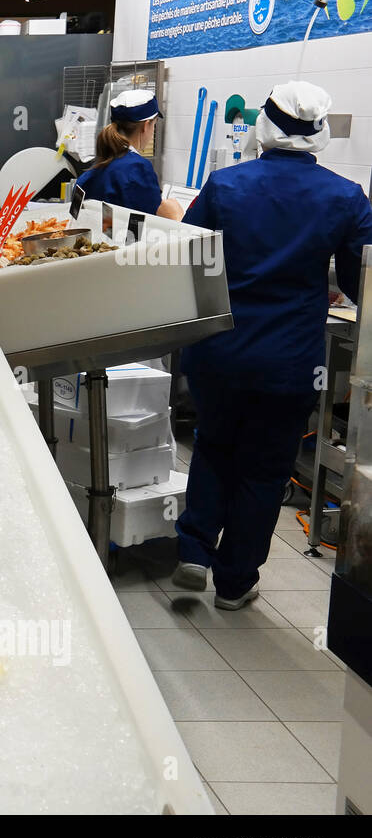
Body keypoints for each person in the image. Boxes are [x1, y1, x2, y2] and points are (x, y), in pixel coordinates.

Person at [171, 80, 372, 609]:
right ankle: (235, 583)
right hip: (289, 362)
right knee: (263, 469)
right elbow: (361, 285)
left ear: (264, 124)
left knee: (213, 445)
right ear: (321, 134)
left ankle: (193, 550)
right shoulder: (346, 198)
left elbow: (186, 260)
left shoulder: (225, 185)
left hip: (220, 350)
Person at [75, 90, 184, 220]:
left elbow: (100, 224)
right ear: (146, 125)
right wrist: (176, 218)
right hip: (123, 240)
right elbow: (137, 233)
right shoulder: (137, 168)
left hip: (94, 239)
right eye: (154, 125)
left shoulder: (90, 173)